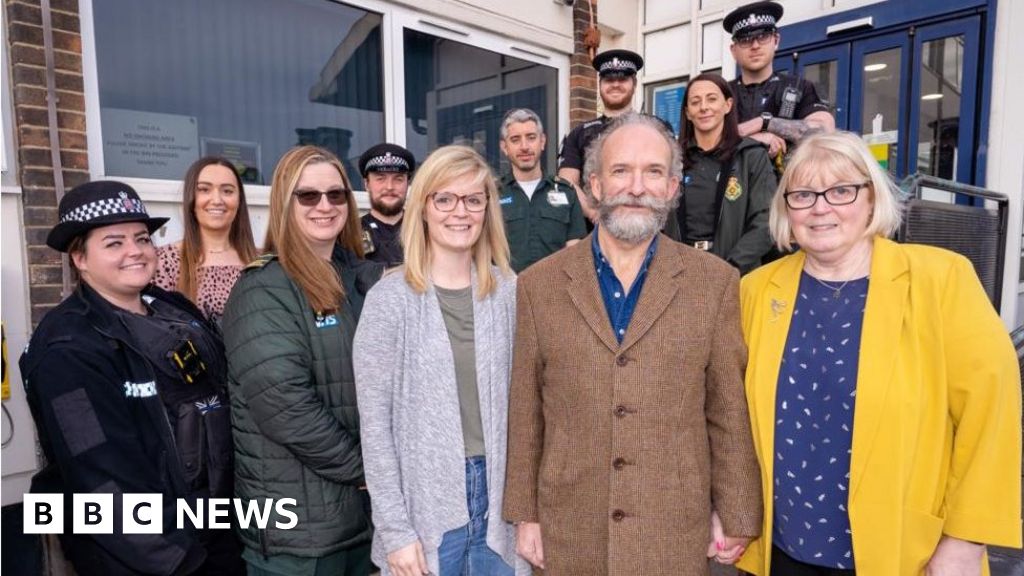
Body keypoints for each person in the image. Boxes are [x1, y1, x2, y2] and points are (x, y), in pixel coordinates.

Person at [736, 131, 1022, 575]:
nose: (821, 206)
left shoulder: (941, 279)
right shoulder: (756, 290)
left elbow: (992, 412)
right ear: (785, 208)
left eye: (841, 190)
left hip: (907, 553)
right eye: (804, 194)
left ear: (871, 199)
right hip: (781, 549)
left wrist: (965, 541)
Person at [504, 113, 762, 575]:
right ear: (595, 185)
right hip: (569, 524)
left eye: (654, 172)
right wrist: (526, 514)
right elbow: (527, 410)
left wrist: (738, 510)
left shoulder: (715, 283)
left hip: (673, 525)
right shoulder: (537, 286)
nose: (637, 187)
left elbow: (727, 409)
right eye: (621, 171)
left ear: (672, 188)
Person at [20, 181, 244, 575]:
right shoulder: (67, 348)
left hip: (216, 531)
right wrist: (177, 560)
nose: (135, 252)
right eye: (113, 243)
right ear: (80, 258)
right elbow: (100, 478)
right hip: (152, 557)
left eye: (141, 238)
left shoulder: (174, 309)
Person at [354, 145, 528, 576]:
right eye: (444, 199)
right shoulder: (388, 299)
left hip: (502, 509)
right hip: (426, 509)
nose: (460, 212)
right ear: (423, 208)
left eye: (473, 199)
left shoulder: (511, 292)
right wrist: (395, 531)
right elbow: (375, 427)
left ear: (488, 208)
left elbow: (532, 409)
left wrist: (529, 512)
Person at [222, 146, 384, 575]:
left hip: (362, 523)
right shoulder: (264, 289)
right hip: (301, 537)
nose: (325, 205)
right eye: (308, 196)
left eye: (336, 195)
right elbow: (286, 406)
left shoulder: (359, 279)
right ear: (283, 202)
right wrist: (368, 471)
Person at [663, 73, 777, 274]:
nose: (704, 107)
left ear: (728, 105)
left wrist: (728, 269)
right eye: (695, 102)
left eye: (712, 99)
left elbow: (766, 222)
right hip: (678, 273)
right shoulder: (671, 160)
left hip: (736, 273)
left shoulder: (751, 156)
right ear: (688, 112)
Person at [725, 1, 835, 161]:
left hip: (784, 184)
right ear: (733, 50)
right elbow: (703, 141)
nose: (755, 45)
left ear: (776, 41)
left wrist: (764, 123)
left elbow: (825, 131)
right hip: (731, 183)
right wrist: (753, 139)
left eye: (762, 36)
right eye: (745, 40)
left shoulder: (799, 87)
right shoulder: (721, 93)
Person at [154, 156, 259, 323]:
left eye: (227, 191)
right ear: (191, 198)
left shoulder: (262, 261)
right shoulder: (163, 262)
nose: (217, 200)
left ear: (239, 200)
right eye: (204, 189)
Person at [558, 49, 650, 224]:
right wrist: (593, 213)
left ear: (635, 84)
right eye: (609, 79)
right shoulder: (580, 133)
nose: (615, 84)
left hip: (644, 227)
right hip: (594, 233)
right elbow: (567, 182)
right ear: (600, 85)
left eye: (622, 79)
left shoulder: (653, 130)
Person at [498, 108, 587, 272]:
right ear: (505, 147)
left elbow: (575, 253)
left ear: (543, 141)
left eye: (531, 138)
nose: (524, 146)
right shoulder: (493, 194)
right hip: (507, 293)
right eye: (515, 140)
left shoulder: (566, 192)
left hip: (554, 292)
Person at [358, 143, 417, 268]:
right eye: (380, 178)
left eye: (398, 179)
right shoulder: (351, 234)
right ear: (367, 184)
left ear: (407, 184)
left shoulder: (425, 230)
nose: (389, 187)